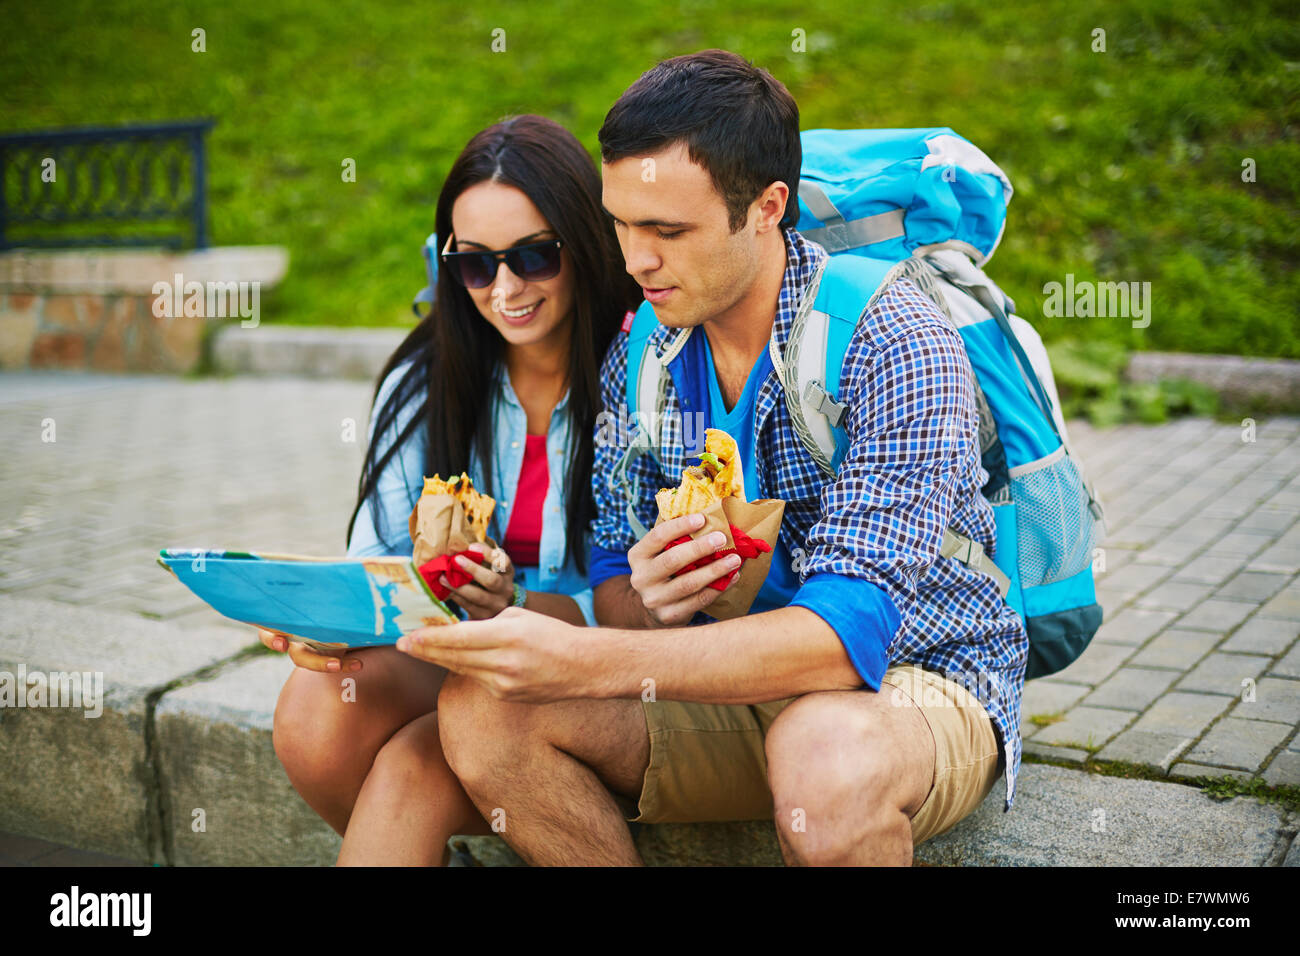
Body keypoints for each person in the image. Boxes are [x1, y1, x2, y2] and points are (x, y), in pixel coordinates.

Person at [397, 50, 1031, 866]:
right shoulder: (642, 358)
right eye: (621, 224)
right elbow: (615, 592)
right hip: (742, 688)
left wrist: (591, 657)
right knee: (482, 710)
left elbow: (847, 640)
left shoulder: (891, 338)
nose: (634, 262)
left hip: (914, 683)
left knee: (823, 752)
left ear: (768, 208)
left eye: (667, 231)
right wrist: (652, 600)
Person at [259, 113, 641, 866]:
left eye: (534, 257)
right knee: (315, 705)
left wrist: (517, 609)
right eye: (473, 265)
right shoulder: (423, 380)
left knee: (412, 770)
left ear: (587, 244)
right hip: (457, 660)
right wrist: (318, 614)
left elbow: (643, 618)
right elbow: (378, 560)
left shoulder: (644, 371)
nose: (503, 289)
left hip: (593, 676)